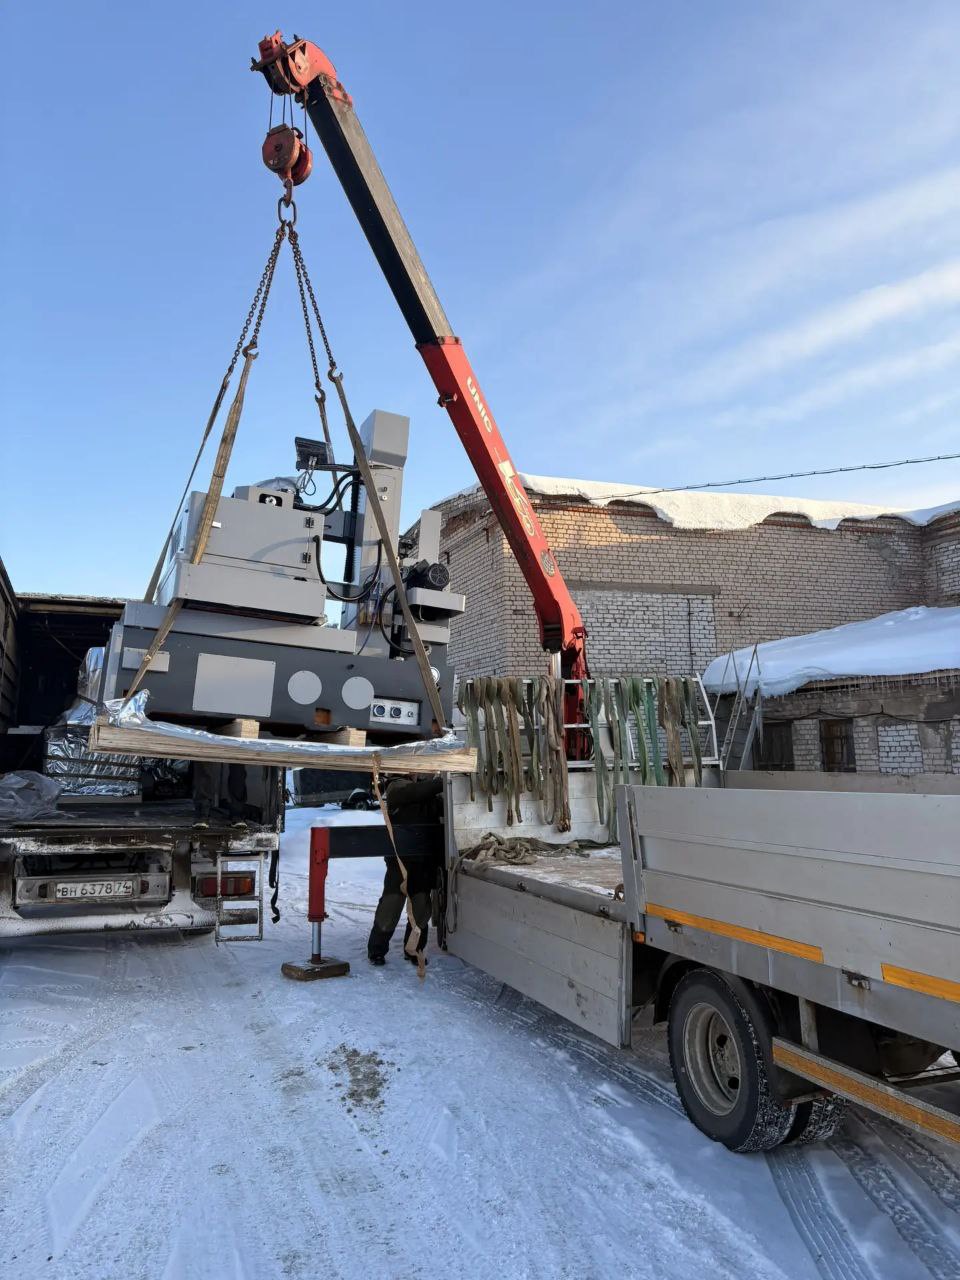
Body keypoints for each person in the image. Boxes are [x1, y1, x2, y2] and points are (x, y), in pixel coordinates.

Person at [367, 775, 442, 966]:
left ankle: (414, 950)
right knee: (389, 910)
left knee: (421, 911)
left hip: (423, 862)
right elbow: (416, 792)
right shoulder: (396, 788)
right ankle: (376, 951)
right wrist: (443, 782)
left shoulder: (428, 792)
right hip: (399, 863)